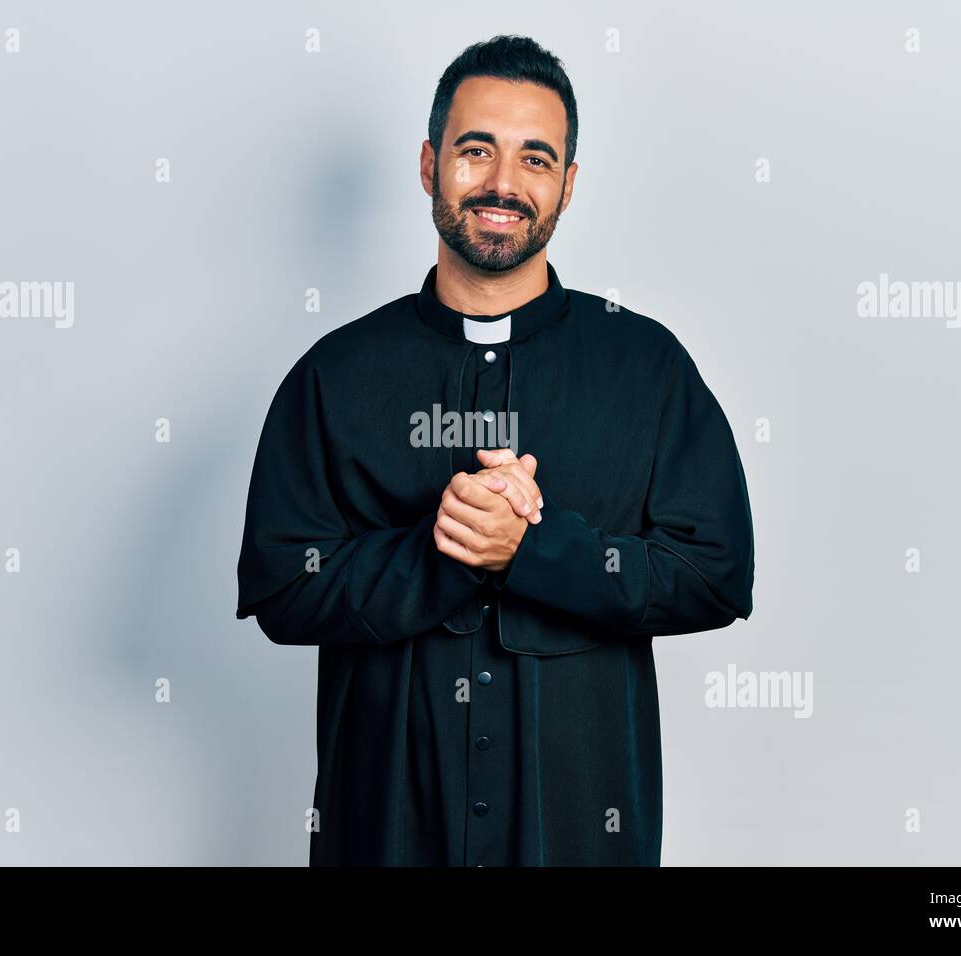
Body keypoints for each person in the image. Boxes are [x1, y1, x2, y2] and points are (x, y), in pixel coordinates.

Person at [236, 34, 755, 866]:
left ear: (569, 185)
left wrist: (539, 551)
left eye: (535, 159)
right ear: (428, 162)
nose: (503, 184)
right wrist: (439, 551)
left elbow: (717, 575)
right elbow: (277, 588)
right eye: (477, 151)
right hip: (385, 836)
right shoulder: (334, 375)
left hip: (582, 838)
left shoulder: (647, 368)